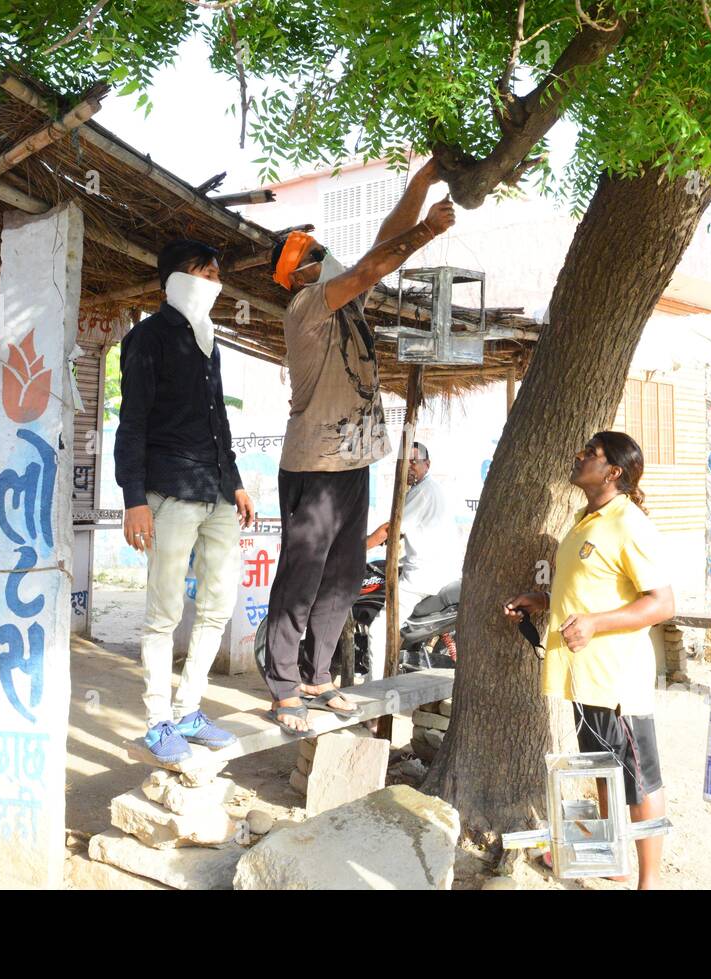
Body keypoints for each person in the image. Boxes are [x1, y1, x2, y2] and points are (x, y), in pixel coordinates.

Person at [262, 159, 456, 735]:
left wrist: (421, 184)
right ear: (302, 273)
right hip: (314, 466)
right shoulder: (308, 308)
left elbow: (379, 246)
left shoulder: (341, 302)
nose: (329, 258)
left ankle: (319, 677)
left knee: (344, 577)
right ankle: (283, 684)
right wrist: (428, 232)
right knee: (302, 574)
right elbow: (378, 260)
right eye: (318, 254)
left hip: (349, 464)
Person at [504, 432, 675, 889]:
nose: (578, 456)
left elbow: (661, 604)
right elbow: (588, 588)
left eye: (590, 453)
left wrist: (596, 624)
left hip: (618, 680)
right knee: (603, 771)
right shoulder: (585, 519)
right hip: (584, 678)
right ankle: (615, 860)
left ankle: (650, 881)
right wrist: (541, 601)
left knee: (640, 782)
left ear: (613, 472)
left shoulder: (629, 523)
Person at [115, 238, 256, 764]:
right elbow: (132, 424)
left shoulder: (209, 340)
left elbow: (219, 420)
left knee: (217, 606)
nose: (213, 281)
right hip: (169, 490)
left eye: (217, 273)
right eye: (202, 271)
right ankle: (157, 722)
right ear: (171, 279)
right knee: (163, 614)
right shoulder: (147, 339)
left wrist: (236, 481)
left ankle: (190, 709)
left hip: (217, 490)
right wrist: (134, 500)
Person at [366, 441, 462, 678]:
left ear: (426, 465)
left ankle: (374, 688)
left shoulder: (422, 491)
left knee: (379, 631)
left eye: (414, 461)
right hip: (442, 572)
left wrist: (360, 549)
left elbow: (390, 529)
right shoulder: (431, 489)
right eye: (404, 462)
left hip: (423, 576)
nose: (409, 467)